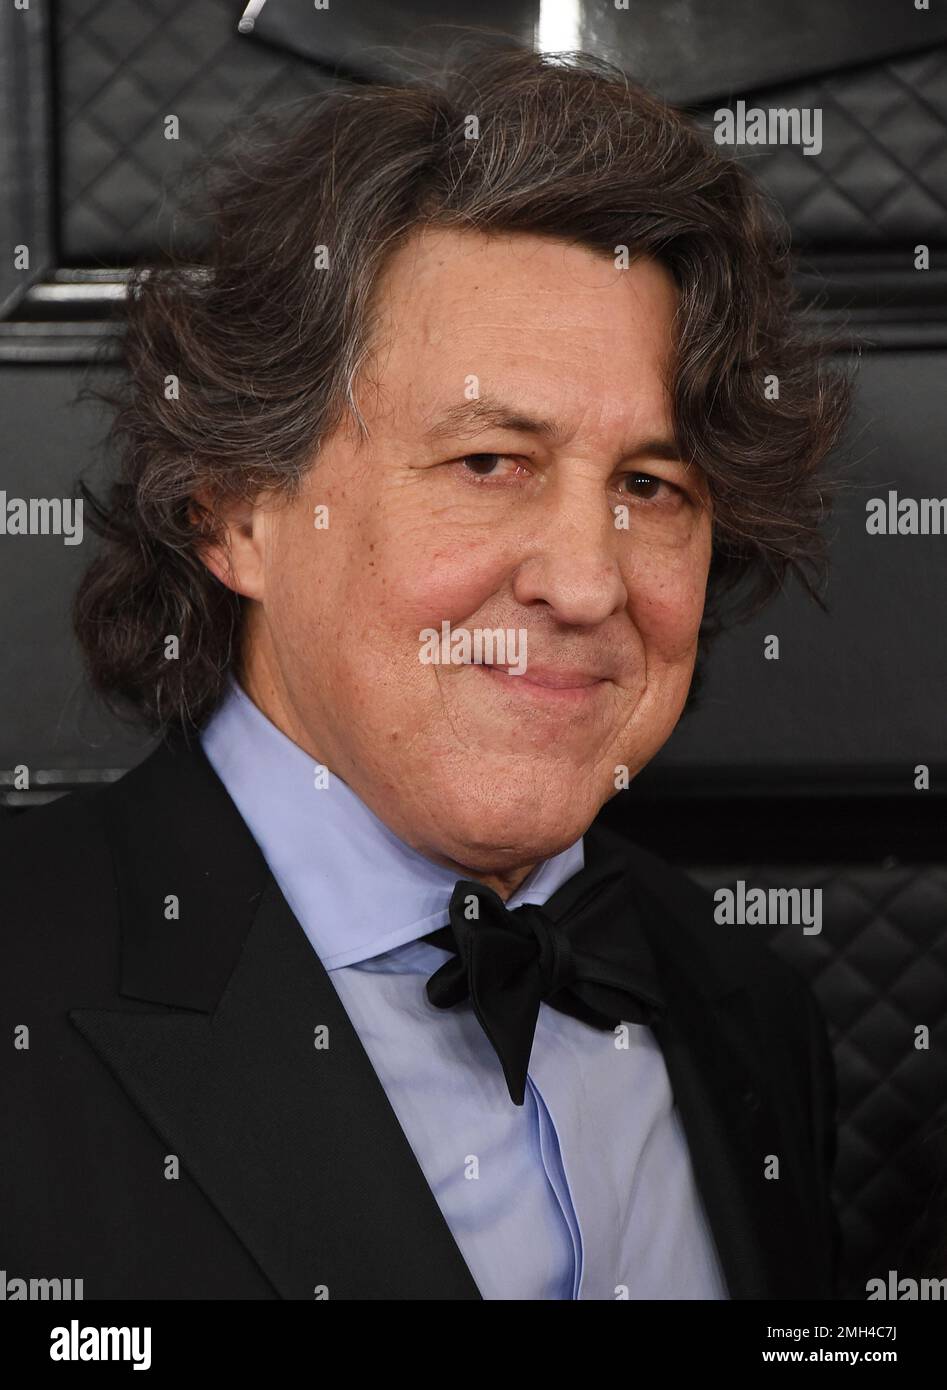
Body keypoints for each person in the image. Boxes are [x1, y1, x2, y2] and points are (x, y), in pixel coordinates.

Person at [0, 42, 853, 1300]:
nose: (585, 581)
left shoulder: (745, 1003)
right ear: (238, 510)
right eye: (487, 462)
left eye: (647, 487)